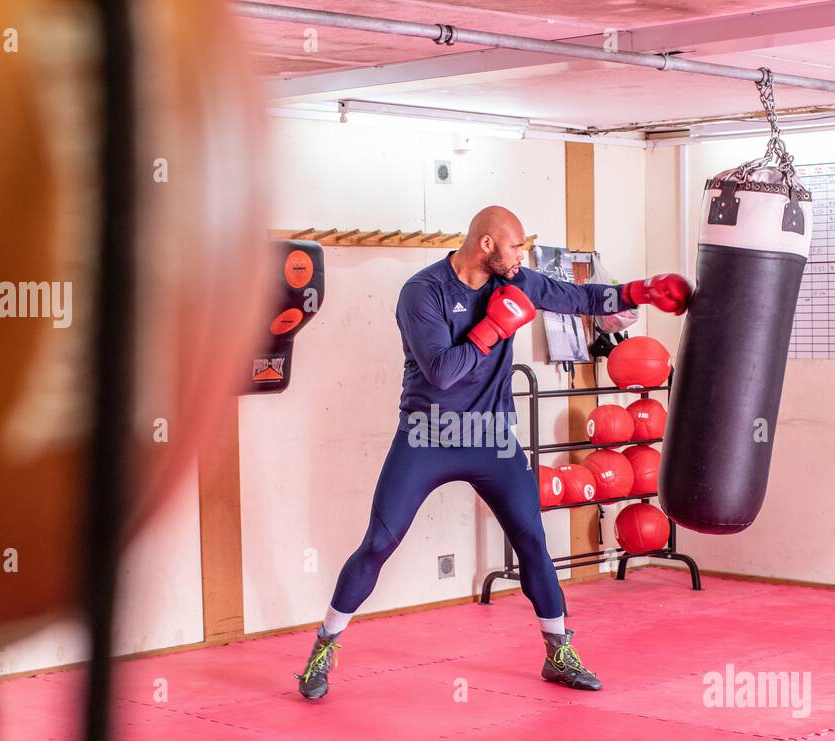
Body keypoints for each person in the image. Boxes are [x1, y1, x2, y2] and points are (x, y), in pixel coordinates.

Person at [295, 206, 691, 699]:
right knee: (379, 542)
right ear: (486, 245)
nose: (521, 256)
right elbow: (441, 372)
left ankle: (558, 651)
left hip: (494, 439)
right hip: (428, 435)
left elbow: (579, 298)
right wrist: (494, 327)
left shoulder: (518, 280)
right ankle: (324, 648)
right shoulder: (423, 292)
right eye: (515, 246)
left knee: (532, 541)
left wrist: (641, 291)